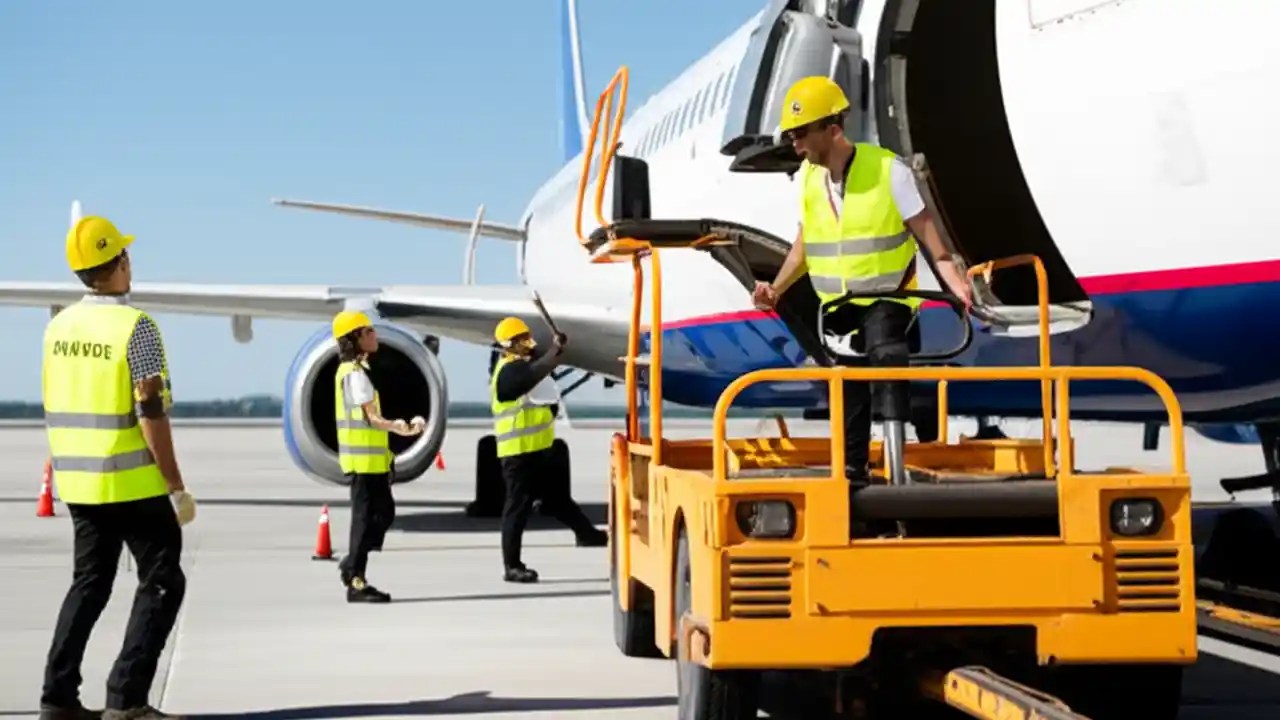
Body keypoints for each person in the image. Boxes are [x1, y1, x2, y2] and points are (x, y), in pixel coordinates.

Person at [752, 76, 973, 485]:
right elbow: (805, 243)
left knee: (886, 350)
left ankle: (895, 462)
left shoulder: (889, 171)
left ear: (832, 129)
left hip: (889, 298)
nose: (795, 144)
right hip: (837, 305)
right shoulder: (808, 178)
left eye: (800, 134)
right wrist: (776, 289)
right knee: (847, 384)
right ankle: (853, 476)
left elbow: (931, 241)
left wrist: (957, 285)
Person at [40, 215, 197, 720]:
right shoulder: (138, 329)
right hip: (131, 482)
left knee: (89, 585)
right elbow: (150, 412)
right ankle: (126, 698)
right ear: (120, 263)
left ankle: (57, 699)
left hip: (79, 483)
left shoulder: (57, 327)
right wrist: (176, 486)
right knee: (163, 580)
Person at [490, 317, 607, 583]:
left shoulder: (523, 365)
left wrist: (554, 349)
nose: (526, 344)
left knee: (557, 500)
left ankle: (587, 535)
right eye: (521, 341)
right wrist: (554, 354)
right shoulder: (509, 372)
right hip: (518, 454)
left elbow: (541, 387)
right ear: (509, 345)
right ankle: (512, 566)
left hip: (539, 450)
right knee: (516, 508)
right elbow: (531, 376)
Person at [331, 310, 424, 603]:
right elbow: (371, 418)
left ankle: (351, 564)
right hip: (363, 463)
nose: (375, 335)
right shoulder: (355, 375)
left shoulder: (357, 372)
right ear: (355, 339)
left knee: (382, 514)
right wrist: (400, 427)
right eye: (368, 331)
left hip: (372, 461)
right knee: (366, 519)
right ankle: (356, 581)